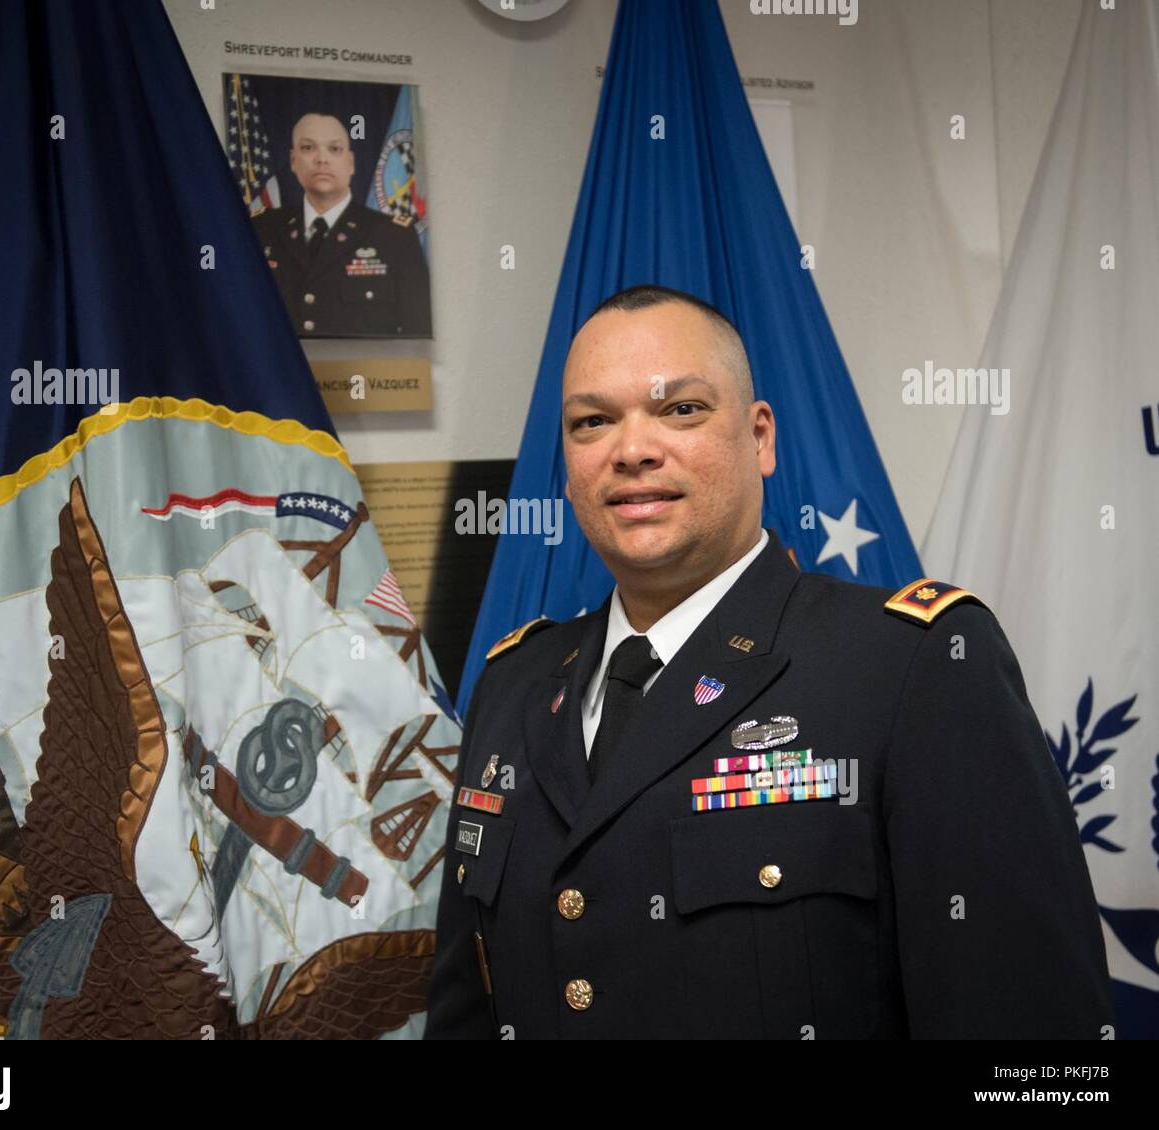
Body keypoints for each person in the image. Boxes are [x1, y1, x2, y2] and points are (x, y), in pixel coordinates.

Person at [424, 284, 1114, 1039]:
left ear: (759, 438)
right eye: (592, 422)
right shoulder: (513, 684)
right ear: (567, 462)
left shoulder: (913, 670)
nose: (631, 449)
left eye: (680, 409)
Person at [251, 111, 431, 338]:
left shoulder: (393, 236)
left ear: (351, 163)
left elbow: (418, 331)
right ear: (293, 161)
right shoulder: (261, 230)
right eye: (308, 148)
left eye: (334, 149)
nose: (321, 159)